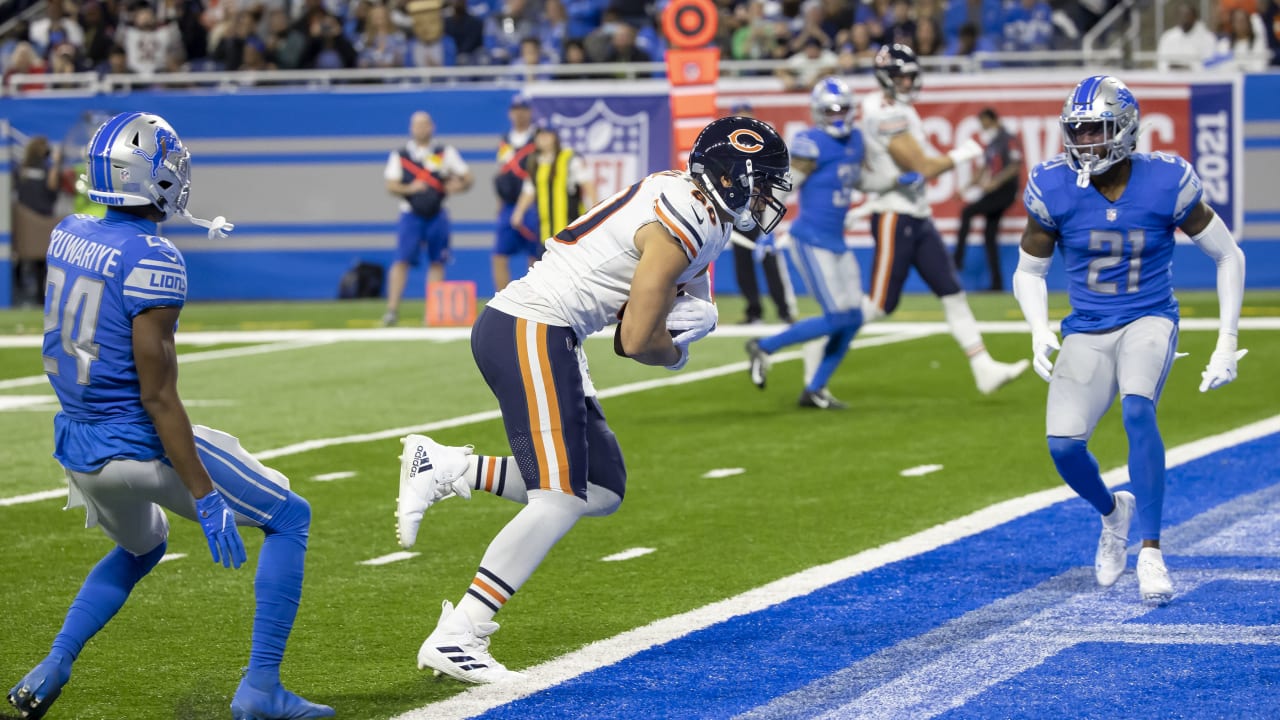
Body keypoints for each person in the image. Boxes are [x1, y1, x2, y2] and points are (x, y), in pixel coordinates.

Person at [393, 116, 792, 684]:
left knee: (599, 488)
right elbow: (634, 341)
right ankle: (461, 634)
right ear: (728, 178)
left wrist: (689, 317)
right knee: (557, 498)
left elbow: (667, 298)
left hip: (551, 332)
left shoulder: (698, 209)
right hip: (531, 324)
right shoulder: (685, 220)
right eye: (760, 182)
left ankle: (452, 467)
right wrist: (678, 349)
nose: (766, 195)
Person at [6, 112, 332, 720]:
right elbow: (159, 396)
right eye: (169, 166)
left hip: (78, 448)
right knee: (290, 518)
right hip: (137, 442)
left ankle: (55, 661)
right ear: (144, 176)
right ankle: (261, 687)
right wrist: (203, 495)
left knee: (142, 547)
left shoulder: (68, 232)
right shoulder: (154, 257)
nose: (178, 176)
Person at [1014, 75, 1246, 606]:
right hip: (1088, 326)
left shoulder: (1166, 180)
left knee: (1138, 409)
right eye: (1077, 132)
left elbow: (1227, 254)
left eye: (1095, 130)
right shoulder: (1053, 184)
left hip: (1148, 317)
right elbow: (1030, 270)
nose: (1084, 143)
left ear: (1123, 128)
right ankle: (1112, 511)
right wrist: (1038, 327)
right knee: (1063, 447)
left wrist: (1226, 340)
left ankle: (1152, 551)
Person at [855, 43, 1028, 395]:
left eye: (909, 76)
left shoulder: (899, 107)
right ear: (885, 79)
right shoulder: (882, 110)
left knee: (952, 292)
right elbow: (924, 166)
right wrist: (965, 152)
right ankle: (820, 338)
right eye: (901, 77)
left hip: (915, 213)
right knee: (878, 306)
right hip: (894, 214)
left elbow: (922, 164)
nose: (907, 82)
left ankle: (984, 369)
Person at [743, 77, 867, 409]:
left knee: (854, 317)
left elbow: (865, 179)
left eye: (842, 108)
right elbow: (785, 187)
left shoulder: (857, 140)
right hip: (810, 240)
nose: (838, 115)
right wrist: (766, 230)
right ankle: (764, 345)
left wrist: (897, 182)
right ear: (818, 112)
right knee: (838, 316)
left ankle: (814, 389)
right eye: (831, 109)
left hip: (837, 241)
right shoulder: (809, 143)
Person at [381, 110, 473, 326]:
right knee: (401, 260)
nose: (422, 129)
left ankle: (432, 313)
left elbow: (467, 177)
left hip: (437, 213)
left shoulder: (444, 152)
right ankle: (392, 310)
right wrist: (410, 188)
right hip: (410, 214)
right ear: (411, 128)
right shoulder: (401, 155)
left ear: (432, 127)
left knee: (437, 262)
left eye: (425, 124)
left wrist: (457, 186)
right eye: (417, 125)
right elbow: (391, 185)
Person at [726, 101, 796, 326]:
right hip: (737, 212)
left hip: (760, 209)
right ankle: (753, 311)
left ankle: (784, 310)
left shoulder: (766, 147)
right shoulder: (726, 150)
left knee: (770, 261)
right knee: (742, 264)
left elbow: (776, 180)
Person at [953, 107, 1023, 292]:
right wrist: (966, 188)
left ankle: (957, 260)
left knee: (967, 212)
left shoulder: (1007, 139)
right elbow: (984, 169)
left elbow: (1015, 166)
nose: (983, 128)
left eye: (985, 123)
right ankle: (996, 284)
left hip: (1004, 191)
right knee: (989, 236)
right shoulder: (992, 143)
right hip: (995, 190)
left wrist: (995, 183)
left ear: (993, 121)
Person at [510, 125, 596, 248]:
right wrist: (519, 212)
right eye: (540, 135)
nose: (543, 138)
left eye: (547, 134)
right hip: (546, 231)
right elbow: (529, 191)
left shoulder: (570, 158)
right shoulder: (535, 163)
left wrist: (595, 211)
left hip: (572, 229)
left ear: (555, 137)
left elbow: (588, 185)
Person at [491, 93, 541, 292]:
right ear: (510, 113)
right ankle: (502, 300)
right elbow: (502, 171)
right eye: (515, 110)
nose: (519, 114)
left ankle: (534, 298)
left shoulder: (537, 137)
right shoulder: (505, 141)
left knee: (534, 255)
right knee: (499, 253)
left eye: (523, 110)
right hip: (508, 204)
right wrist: (500, 204)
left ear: (530, 112)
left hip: (532, 204)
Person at [12, 135, 63, 307]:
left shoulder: (21, 169)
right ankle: (40, 299)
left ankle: (20, 294)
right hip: (42, 223)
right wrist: (56, 164)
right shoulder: (47, 169)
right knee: (40, 261)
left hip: (24, 222)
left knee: (23, 259)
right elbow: (52, 188)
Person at [1155, 1, 1217, 71]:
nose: (1183, 19)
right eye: (1180, 15)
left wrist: (1188, 69)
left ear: (1195, 17)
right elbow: (1161, 63)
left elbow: (1210, 64)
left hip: (1197, 80)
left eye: (1187, 15)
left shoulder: (1207, 38)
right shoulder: (1168, 37)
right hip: (1172, 79)